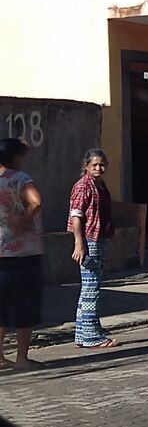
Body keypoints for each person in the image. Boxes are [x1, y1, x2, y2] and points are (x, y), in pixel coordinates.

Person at [0, 138, 44, 370]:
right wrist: (24, 220)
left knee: (1, 306)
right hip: (23, 253)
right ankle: (22, 358)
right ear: (15, 157)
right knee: (24, 305)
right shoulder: (21, 179)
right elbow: (36, 202)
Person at [69, 149, 119, 349]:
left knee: (89, 288)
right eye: (95, 165)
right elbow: (76, 216)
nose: (99, 168)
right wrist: (79, 243)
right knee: (92, 289)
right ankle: (91, 336)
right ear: (86, 166)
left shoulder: (99, 185)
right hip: (89, 241)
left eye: (102, 164)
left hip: (98, 239)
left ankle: (83, 333)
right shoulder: (83, 186)